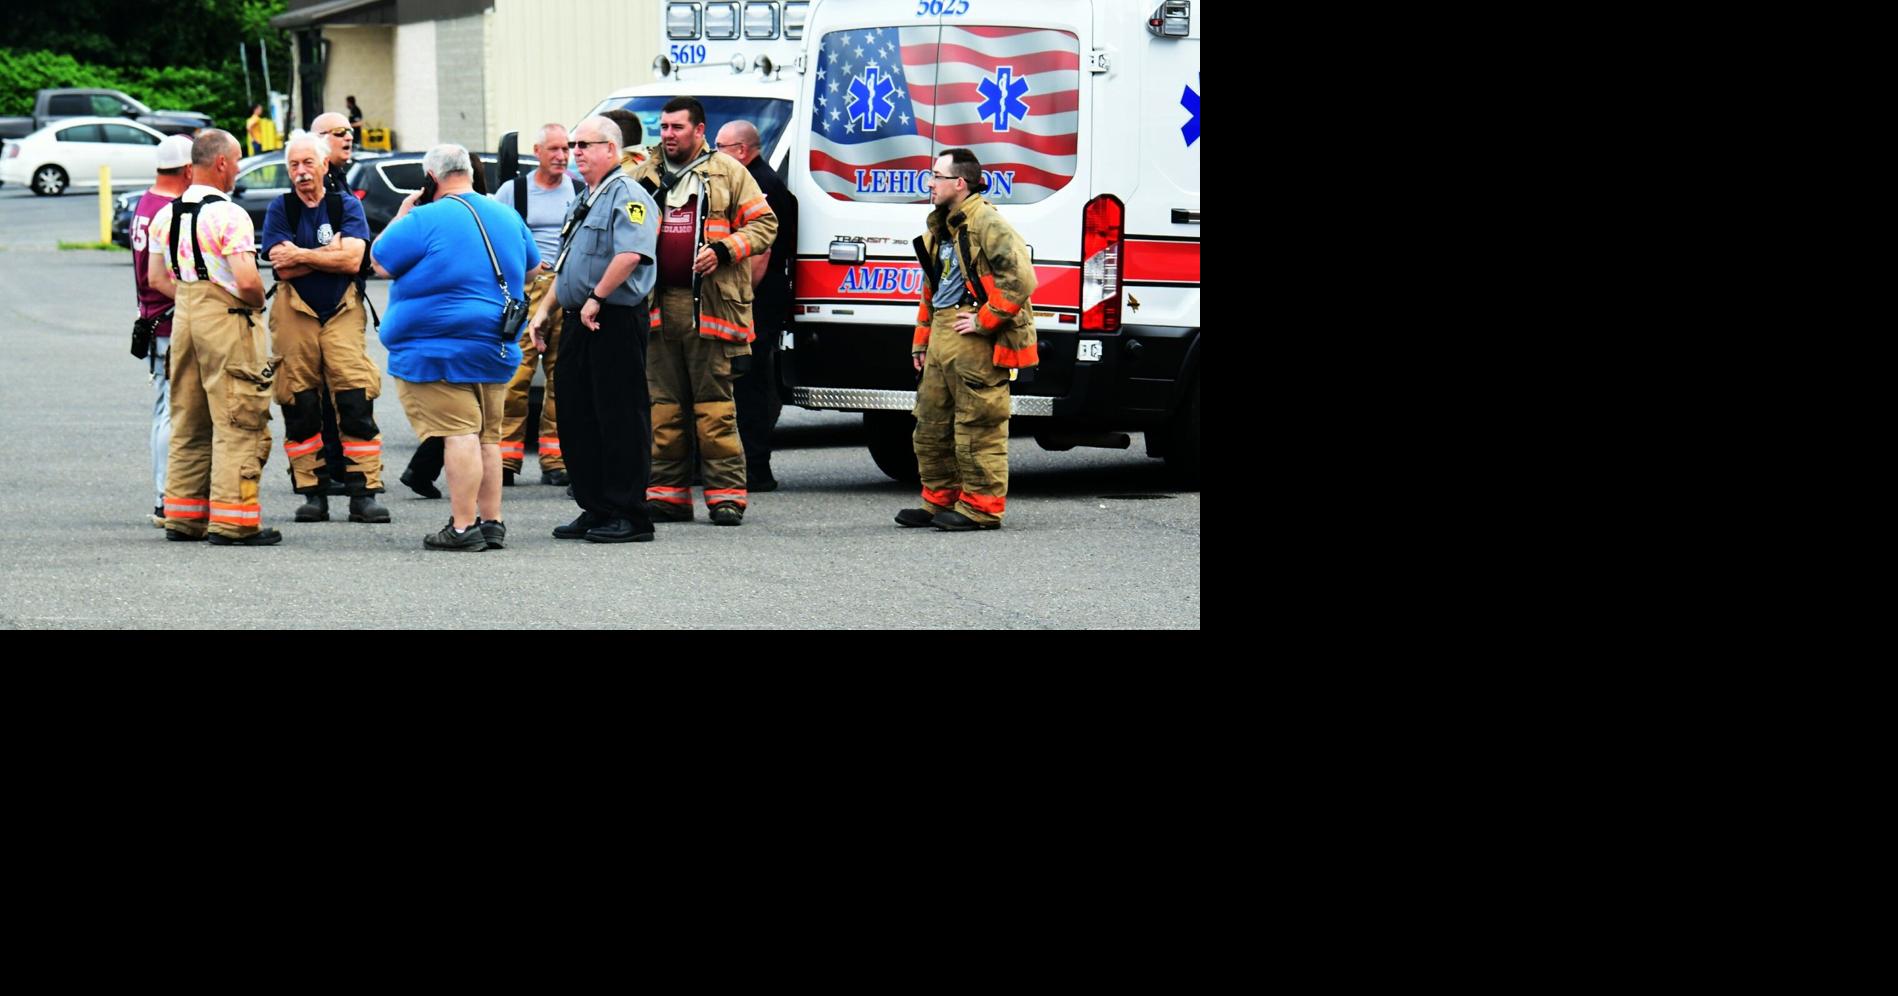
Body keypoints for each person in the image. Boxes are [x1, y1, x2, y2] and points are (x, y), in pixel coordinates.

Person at [372, 144, 536, 551]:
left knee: (459, 433)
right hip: (495, 343)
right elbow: (533, 267)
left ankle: (463, 527)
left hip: (437, 346)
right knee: (487, 437)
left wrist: (402, 214)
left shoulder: (424, 219)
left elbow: (380, 261)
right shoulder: (506, 214)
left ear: (431, 178)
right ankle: (491, 520)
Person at [627, 97, 777, 526]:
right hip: (658, 306)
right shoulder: (643, 175)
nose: (668, 134)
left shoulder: (730, 173)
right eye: (665, 127)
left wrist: (726, 250)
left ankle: (726, 496)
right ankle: (668, 495)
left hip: (710, 308)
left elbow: (765, 226)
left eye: (677, 127)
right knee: (664, 409)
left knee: (714, 410)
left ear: (699, 130)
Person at [526, 115, 659, 544]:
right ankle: (596, 505)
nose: (576, 152)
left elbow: (631, 254)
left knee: (619, 414)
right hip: (578, 316)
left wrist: (597, 297)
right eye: (573, 144)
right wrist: (544, 310)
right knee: (577, 412)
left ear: (611, 150)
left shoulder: (629, 194)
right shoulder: (585, 197)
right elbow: (566, 261)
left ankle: (630, 513)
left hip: (612, 317)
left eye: (585, 144)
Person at [147, 130, 280, 546]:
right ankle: (234, 521)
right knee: (238, 417)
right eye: (237, 160)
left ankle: (183, 517)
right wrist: (256, 302)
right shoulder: (229, 215)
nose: (238, 169)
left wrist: (193, 301)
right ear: (221, 163)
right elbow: (246, 279)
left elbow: (155, 278)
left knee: (188, 418)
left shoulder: (166, 215)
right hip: (226, 320)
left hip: (185, 317)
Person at [896, 148, 1039, 531]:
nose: (929, 183)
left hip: (974, 337)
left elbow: (1021, 279)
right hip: (943, 333)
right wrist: (921, 343)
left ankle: (980, 508)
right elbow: (932, 289)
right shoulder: (942, 226)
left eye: (936, 176)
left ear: (959, 183)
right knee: (930, 423)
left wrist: (984, 319)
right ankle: (938, 500)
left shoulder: (986, 222)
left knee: (978, 424)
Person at [261, 132, 389, 525]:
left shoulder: (344, 205)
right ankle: (312, 493)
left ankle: (363, 493)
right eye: (294, 165)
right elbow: (280, 266)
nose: (301, 172)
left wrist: (303, 254)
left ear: (324, 165)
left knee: (354, 398)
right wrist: (327, 253)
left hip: (341, 310)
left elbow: (354, 261)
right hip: (294, 312)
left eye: (307, 164)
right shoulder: (280, 208)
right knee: (299, 402)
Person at [491, 123, 582, 488]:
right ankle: (505, 460)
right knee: (516, 376)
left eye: (567, 149)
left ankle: (555, 459)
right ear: (537, 151)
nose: (562, 156)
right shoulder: (513, 192)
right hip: (526, 291)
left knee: (562, 379)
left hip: (565, 289)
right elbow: (493, 235)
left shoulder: (579, 189)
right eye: (555, 149)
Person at [714, 119, 796, 492]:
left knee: (749, 384)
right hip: (758, 301)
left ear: (742, 151)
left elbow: (758, 254)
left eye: (721, 147)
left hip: (754, 302)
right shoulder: (757, 177)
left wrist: (739, 299)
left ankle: (755, 467)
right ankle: (751, 464)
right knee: (749, 383)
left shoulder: (758, 184)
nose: (715, 155)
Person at [131, 134, 194, 527]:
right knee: (171, 411)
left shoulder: (145, 202)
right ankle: (165, 498)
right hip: (168, 317)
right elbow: (161, 277)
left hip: (150, 316)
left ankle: (166, 495)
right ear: (189, 170)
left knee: (164, 410)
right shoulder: (169, 210)